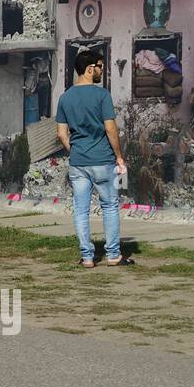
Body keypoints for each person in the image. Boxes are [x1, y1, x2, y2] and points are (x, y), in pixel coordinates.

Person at [55, 49, 128, 267]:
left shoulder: (65, 98)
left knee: (81, 209)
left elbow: (61, 134)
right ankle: (113, 254)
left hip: (78, 163)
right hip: (103, 160)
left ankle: (87, 257)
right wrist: (119, 156)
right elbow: (110, 128)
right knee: (110, 206)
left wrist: (74, 150)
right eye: (100, 66)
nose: (102, 71)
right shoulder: (102, 95)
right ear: (90, 69)